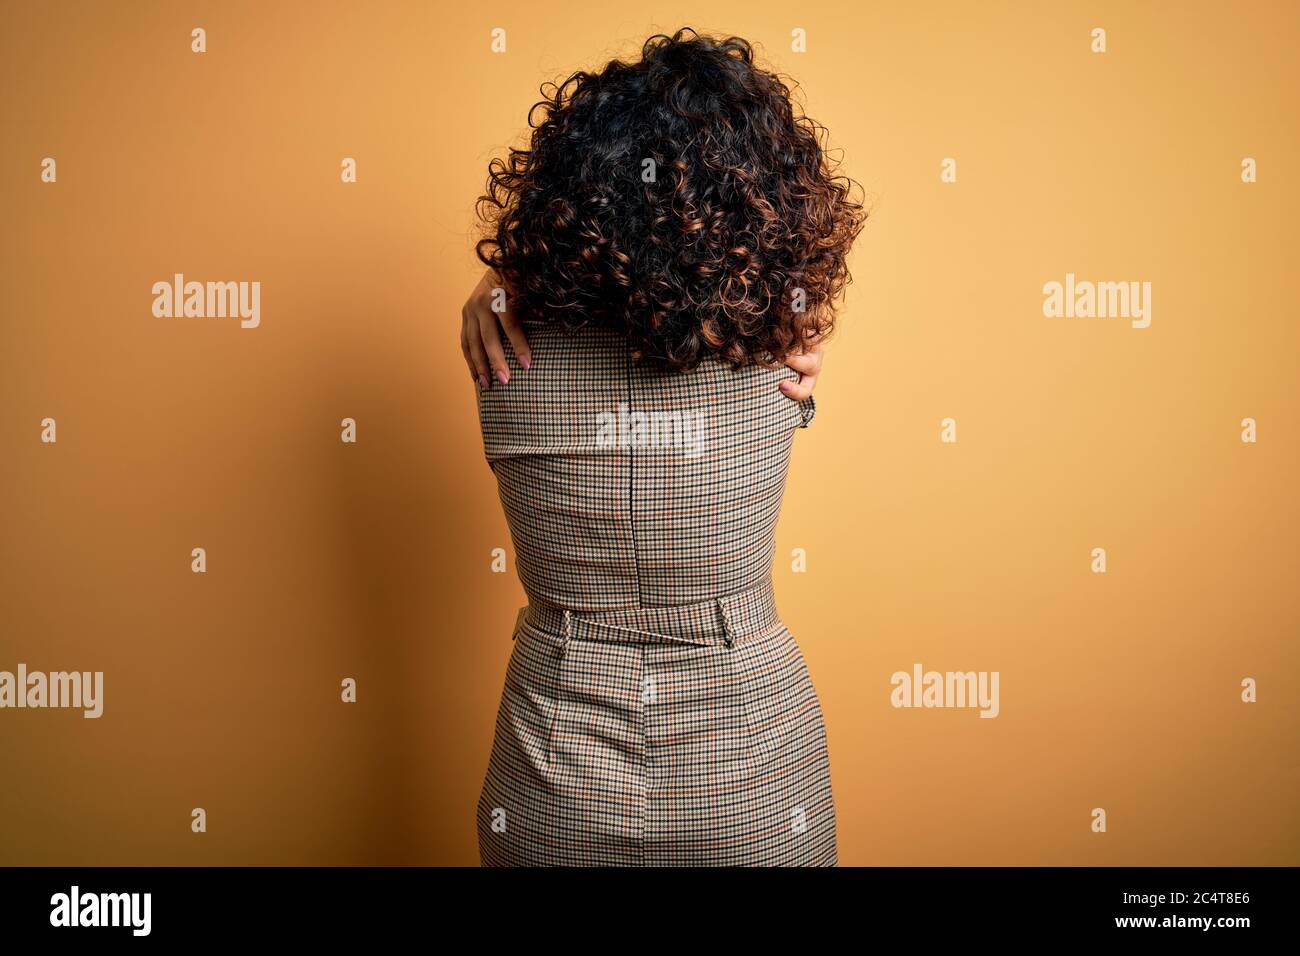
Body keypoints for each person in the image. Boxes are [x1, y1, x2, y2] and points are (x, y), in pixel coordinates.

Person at [461, 27, 864, 866]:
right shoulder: (779, 354)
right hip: (753, 777)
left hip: (550, 777)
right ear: (765, 194)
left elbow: (554, 290)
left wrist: (499, 279)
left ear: (573, 185)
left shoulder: (499, 345)